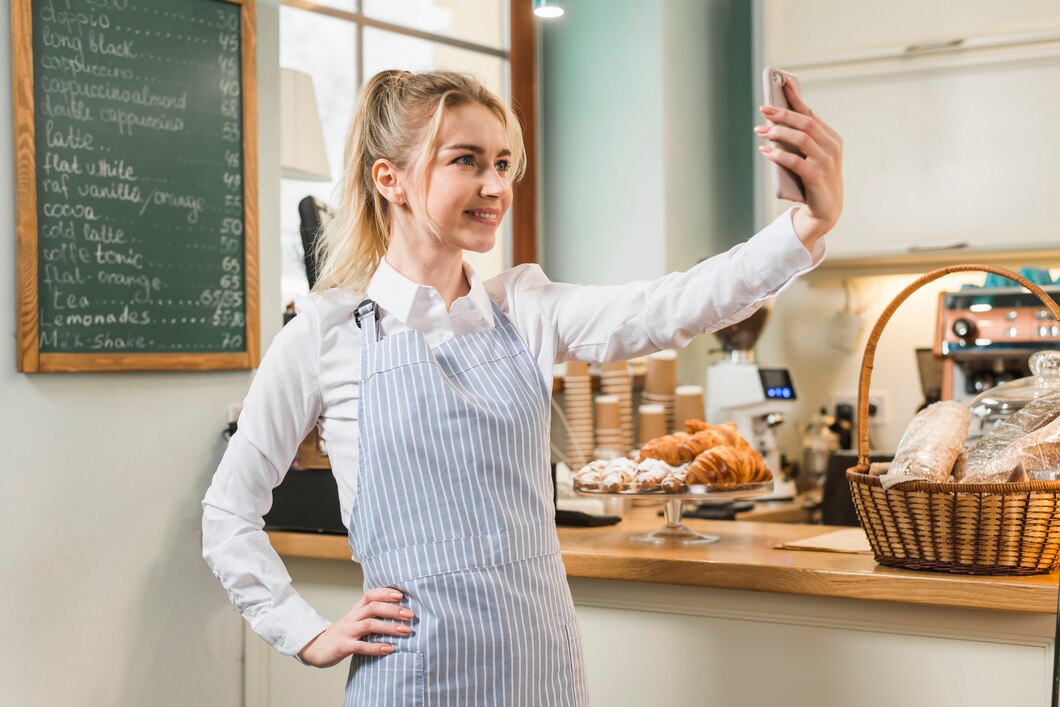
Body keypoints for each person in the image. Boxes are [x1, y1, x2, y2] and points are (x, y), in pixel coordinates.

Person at [201, 69, 842, 706]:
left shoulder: (526, 309)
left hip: (541, 671)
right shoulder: (326, 333)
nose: (495, 186)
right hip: (412, 680)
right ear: (387, 178)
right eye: (467, 161)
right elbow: (228, 515)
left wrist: (806, 225)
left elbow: (670, 306)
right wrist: (307, 634)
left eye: (503, 164)